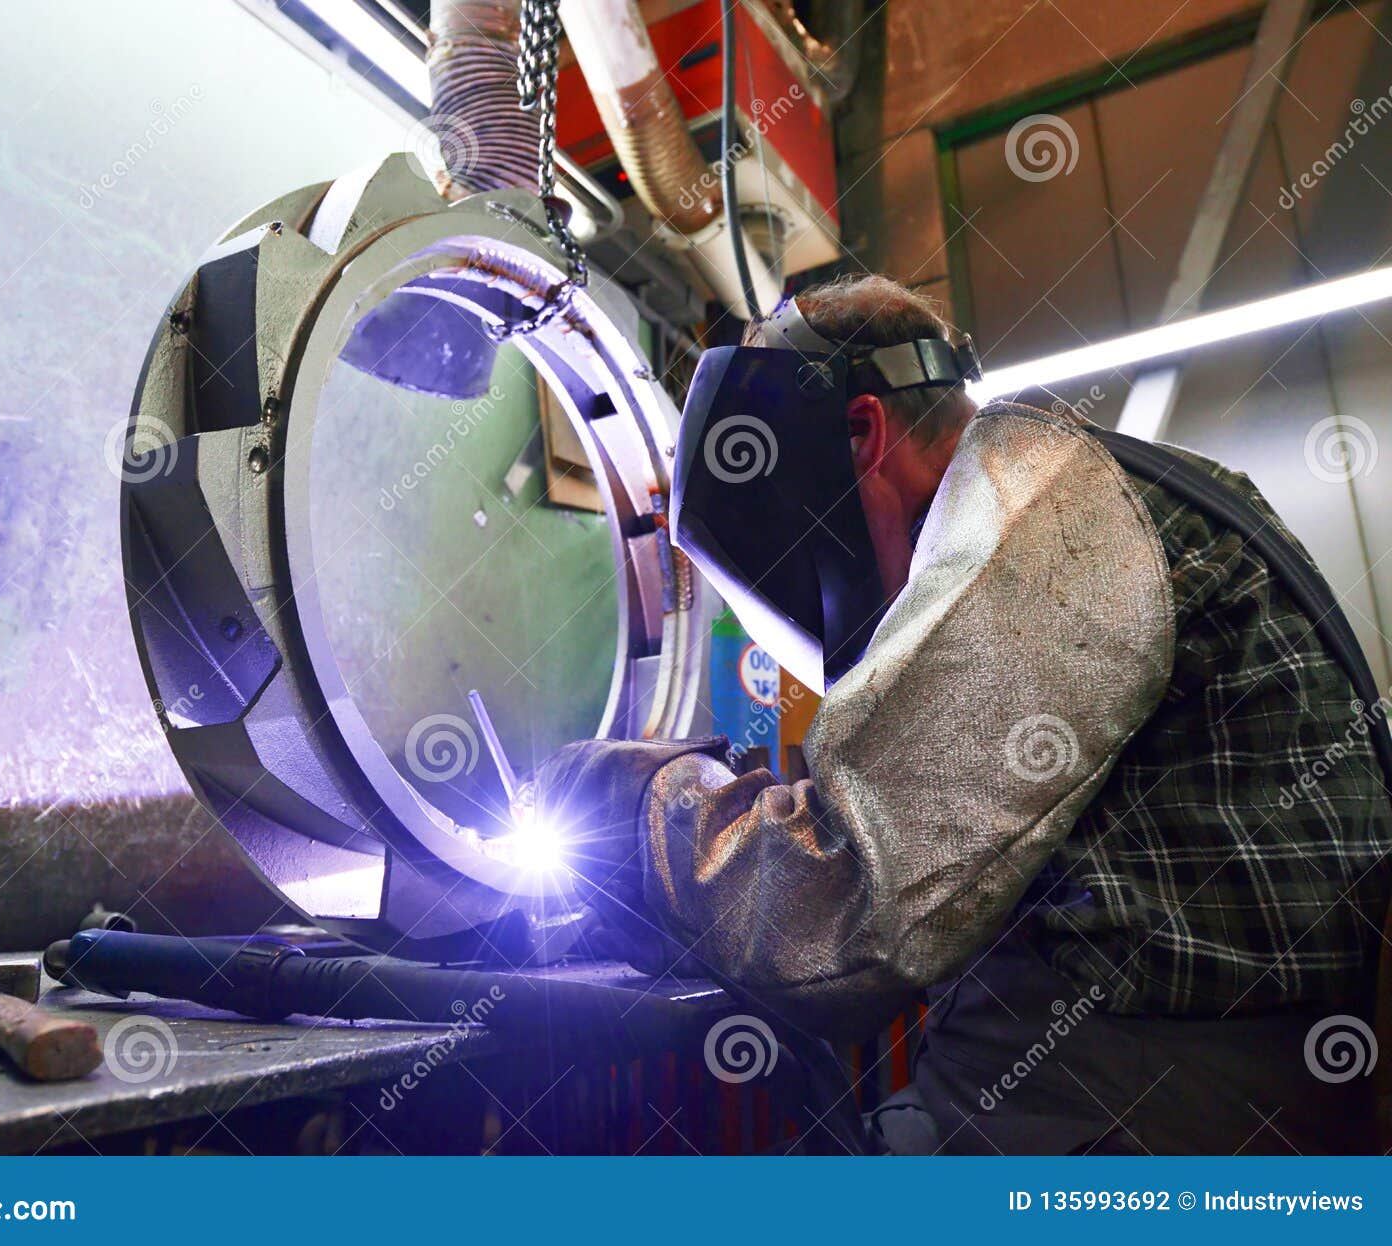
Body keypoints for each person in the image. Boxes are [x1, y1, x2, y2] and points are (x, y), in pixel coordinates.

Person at [537, 273, 1392, 1155]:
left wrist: (634, 799)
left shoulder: (1045, 498)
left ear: (862, 433)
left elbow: (840, 918)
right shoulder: (1158, 490)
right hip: (1205, 1086)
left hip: (1151, 1116)